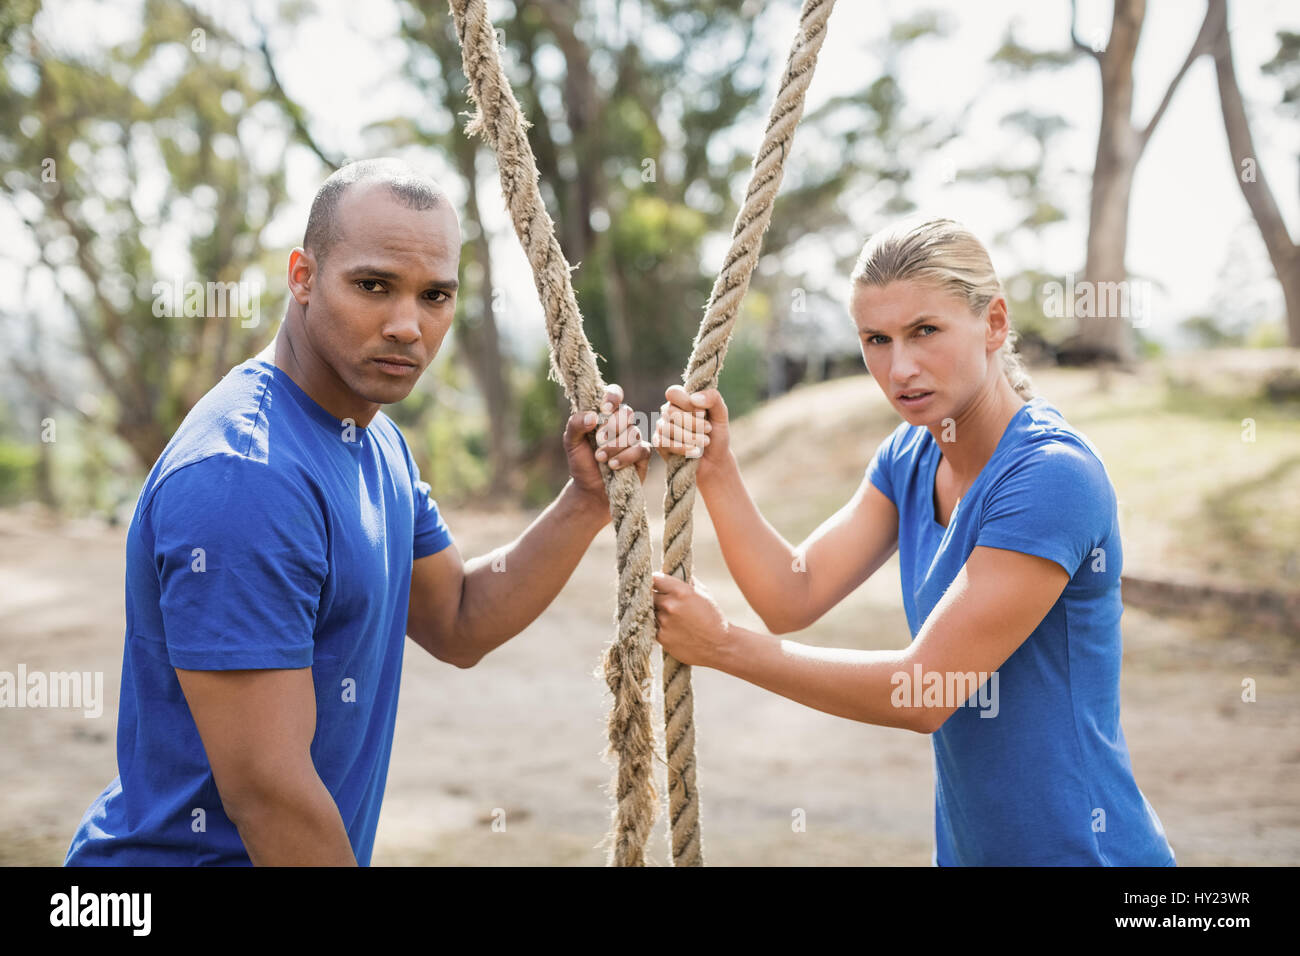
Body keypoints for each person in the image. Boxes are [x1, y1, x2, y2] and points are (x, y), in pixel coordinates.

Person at [65, 158, 650, 866]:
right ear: (303, 277)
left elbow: (459, 620)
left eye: (434, 296)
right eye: (373, 286)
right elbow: (268, 790)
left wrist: (584, 502)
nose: (407, 325)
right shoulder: (244, 477)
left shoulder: (375, 441)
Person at [650, 217, 1175, 866]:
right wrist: (717, 469)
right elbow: (793, 592)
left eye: (924, 331)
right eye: (877, 339)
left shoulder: (1051, 476)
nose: (900, 367)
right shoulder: (910, 455)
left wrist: (724, 647)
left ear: (994, 324)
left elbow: (927, 689)